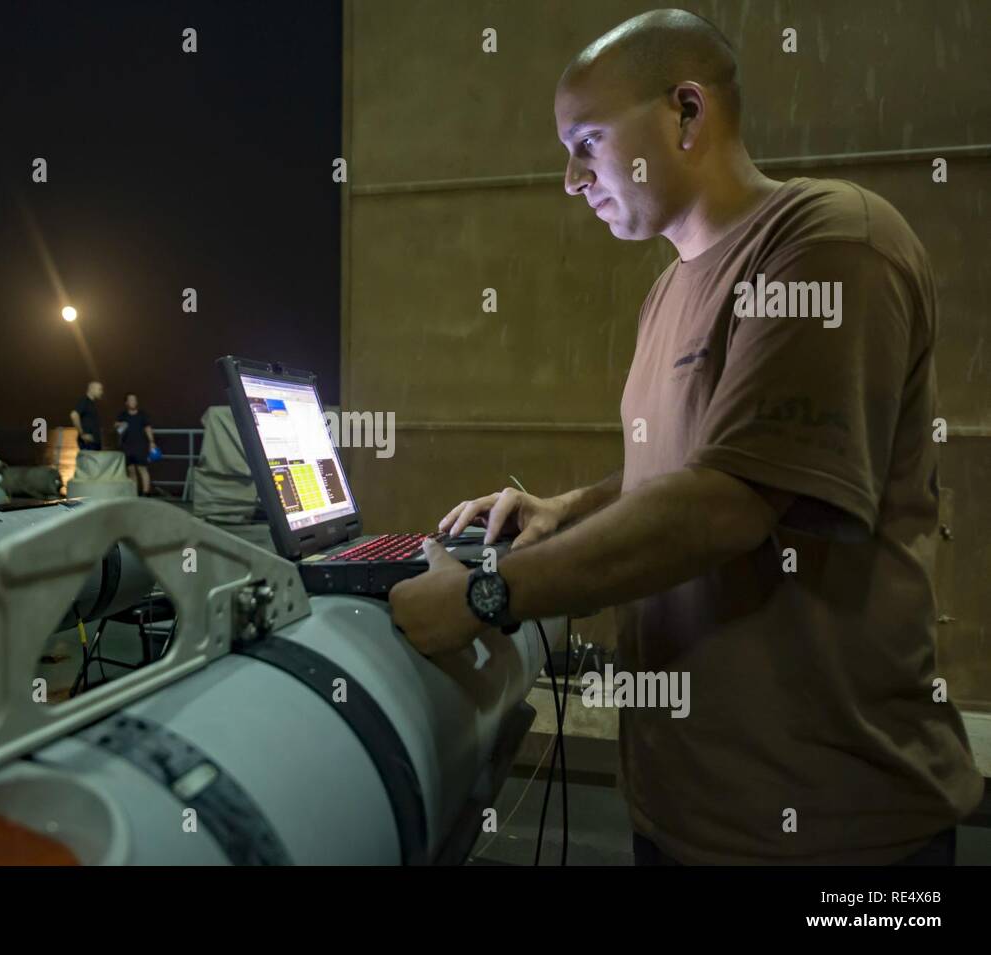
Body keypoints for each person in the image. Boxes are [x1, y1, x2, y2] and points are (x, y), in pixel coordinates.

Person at [389, 9, 983, 865]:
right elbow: (679, 470)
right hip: (684, 815)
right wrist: (566, 510)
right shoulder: (667, 294)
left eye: (587, 142)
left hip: (831, 832)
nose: (570, 178)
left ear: (687, 113)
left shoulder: (829, 241)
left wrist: (490, 596)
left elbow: (731, 503)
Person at [114, 392, 157, 495]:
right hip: (127, 446)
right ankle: (134, 493)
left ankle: (146, 493)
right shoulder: (122, 415)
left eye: (134, 400)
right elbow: (116, 427)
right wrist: (120, 424)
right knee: (131, 470)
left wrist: (151, 442)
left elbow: (148, 428)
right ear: (126, 402)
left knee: (142, 468)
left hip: (141, 445)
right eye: (131, 400)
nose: (133, 402)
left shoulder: (142, 414)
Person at [70, 381, 104, 451]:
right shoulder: (85, 401)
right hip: (88, 443)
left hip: (94, 443)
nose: (101, 392)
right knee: (89, 461)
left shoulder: (92, 404)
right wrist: (82, 434)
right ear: (92, 389)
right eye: (99, 389)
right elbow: (74, 415)